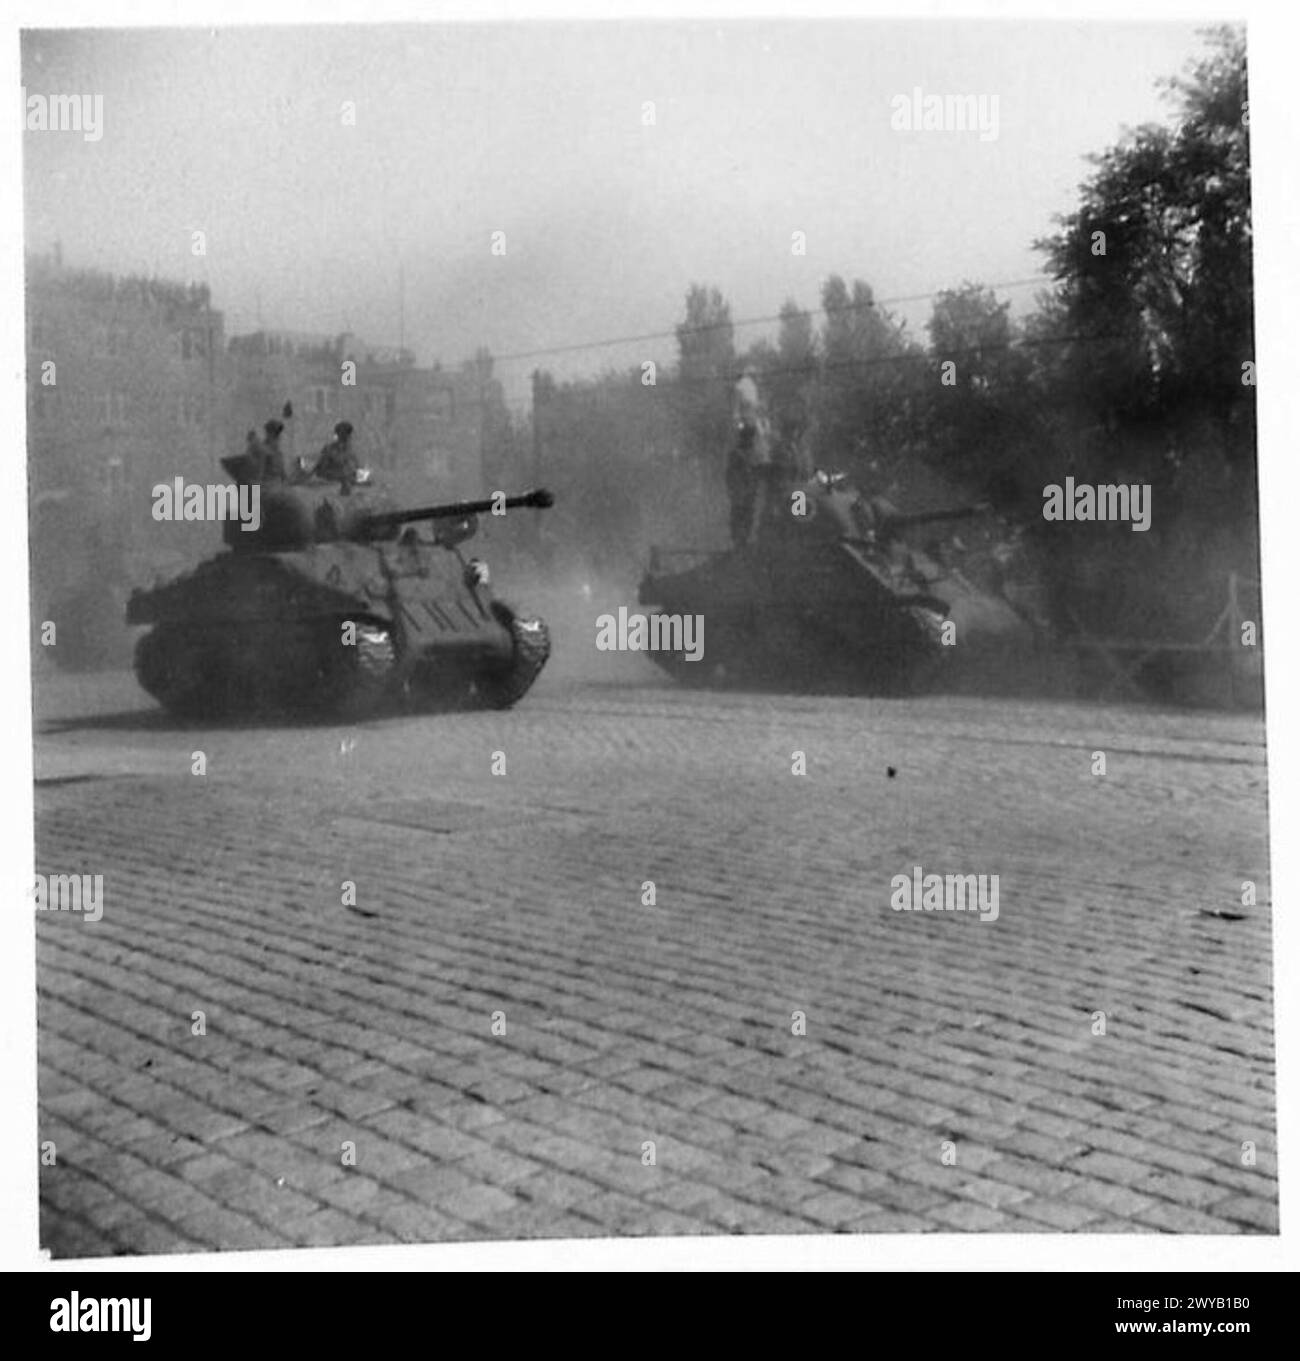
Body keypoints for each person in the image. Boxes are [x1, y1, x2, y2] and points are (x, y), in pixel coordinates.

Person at [726, 369, 775, 546]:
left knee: (750, 505)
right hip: (745, 469)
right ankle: (742, 540)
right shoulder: (741, 390)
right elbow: (737, 417)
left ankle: (747, 538)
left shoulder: (758, 425)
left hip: (753, 462)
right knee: (743, 506)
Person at [313, 421, 358, 486]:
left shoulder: (349, 450)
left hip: (341, 479)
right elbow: (320, 471)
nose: (351, 438)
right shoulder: (329, 449)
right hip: (331, 481)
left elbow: (354, 467)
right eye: (349, 435)